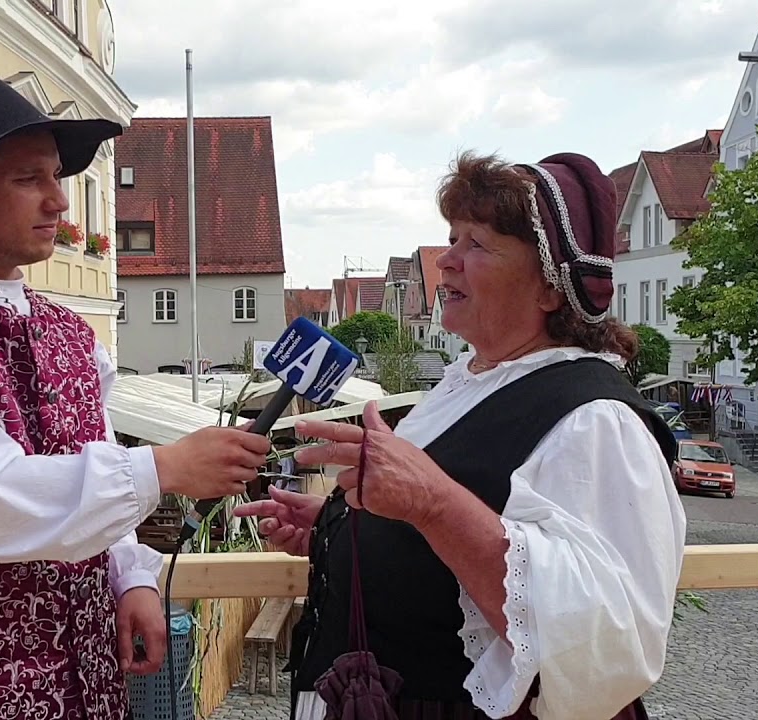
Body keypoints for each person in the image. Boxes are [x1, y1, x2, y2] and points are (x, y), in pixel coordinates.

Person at [0, 73, 271, 720]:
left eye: (55, 176)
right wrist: (164, 468)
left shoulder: (71, 333)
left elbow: (88, 462)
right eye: (28, 178)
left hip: (85, 681)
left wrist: (131, 575)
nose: (60, 202)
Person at [236, 151, 687, 719]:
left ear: (550, 288)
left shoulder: (597, 420)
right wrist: (343, 530)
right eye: (452, 238)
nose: (447, 261)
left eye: (476, 244)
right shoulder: (469, 381)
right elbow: (447, 537)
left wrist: (431, 502)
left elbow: (610, 643)